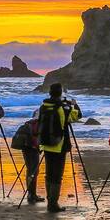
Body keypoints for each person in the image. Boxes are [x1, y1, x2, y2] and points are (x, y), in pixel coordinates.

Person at [36, 83, 82, 212]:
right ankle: (53, 204)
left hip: (46, 144)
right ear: (60, 93)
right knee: (57, 176)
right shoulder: (64, 108)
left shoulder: (43, 107)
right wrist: (74, 104)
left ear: (50, 92)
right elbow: (78, 116)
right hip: (59, 145)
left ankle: (50, 199)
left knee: (49, 174)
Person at [11, 113, 43, 203]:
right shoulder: (38, 124)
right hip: (33, 149)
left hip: (26, 148)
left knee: (30, 170)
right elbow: (39, 138)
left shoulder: (28, 123)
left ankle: (31, 193)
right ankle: (32, 194)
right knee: (33, 171)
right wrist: (40, 148)